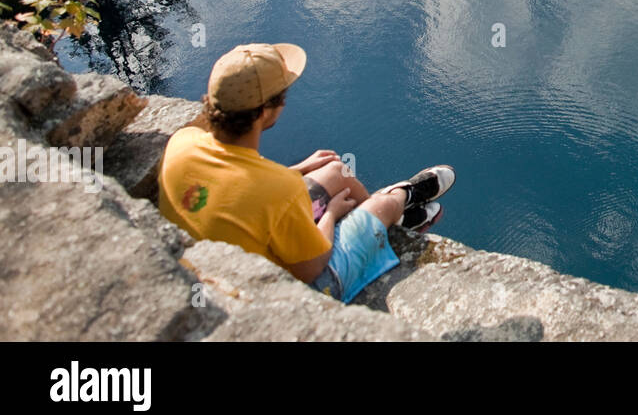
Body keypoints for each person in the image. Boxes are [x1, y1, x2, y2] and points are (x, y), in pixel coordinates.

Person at [158, 43, 455, 304]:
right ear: (265, 112)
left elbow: (238, 181)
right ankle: (399, 201)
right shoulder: (278, 189)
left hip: (220, 251)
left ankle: (393, 218)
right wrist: (330, 214)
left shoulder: (181, 143)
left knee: (336, 171)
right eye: (281, 95)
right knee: (381, 204)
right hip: (287, 288)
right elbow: (312, 266)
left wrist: (298, 170)